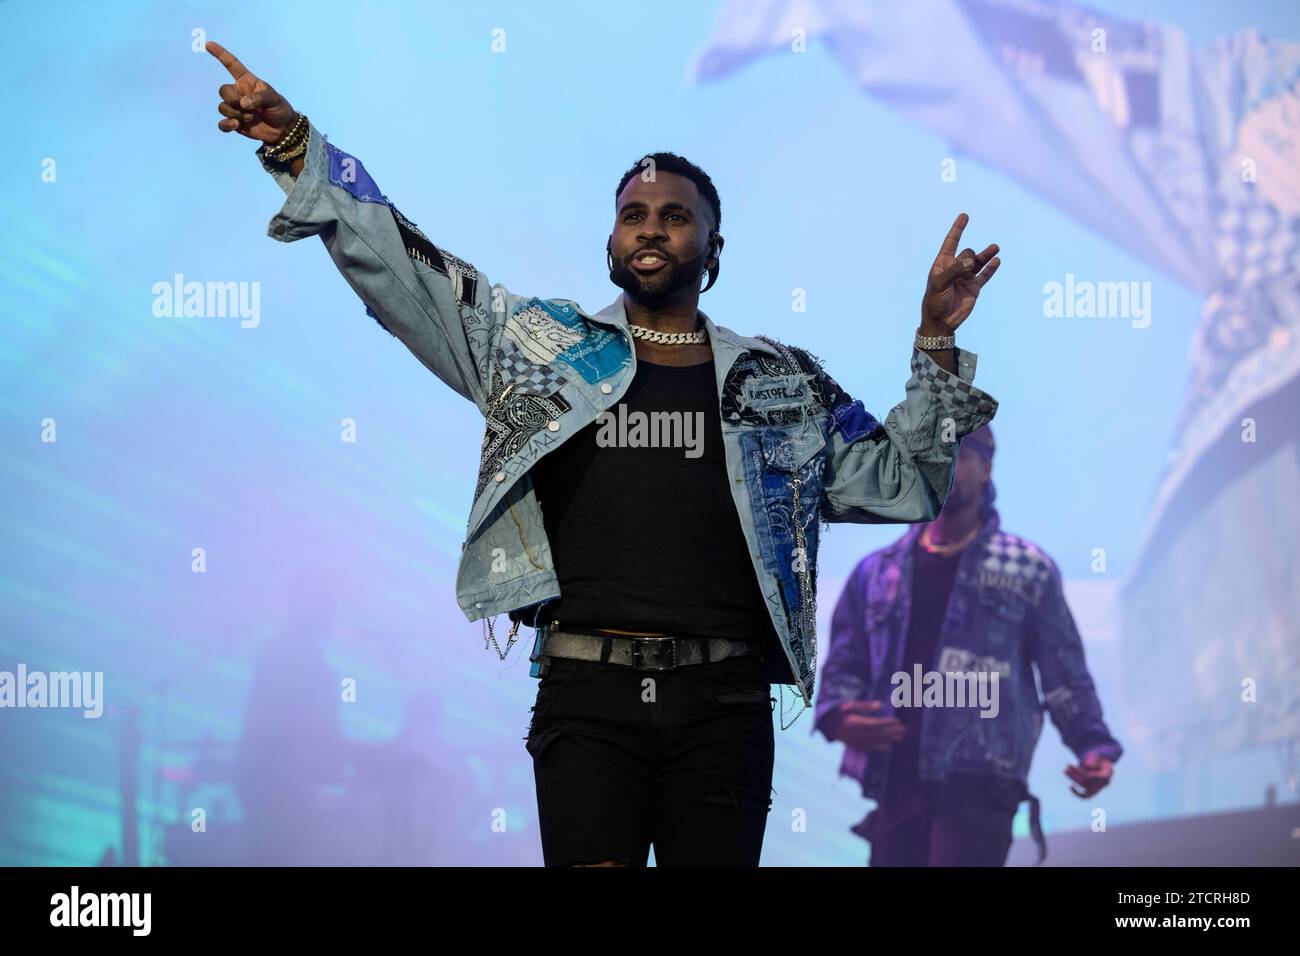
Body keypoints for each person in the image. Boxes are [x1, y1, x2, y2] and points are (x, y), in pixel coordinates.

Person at [206, 41, 1000, 866]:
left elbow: (907, 484)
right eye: (634, 215)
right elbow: (411, 270)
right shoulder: (540, 345)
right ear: (612, 242)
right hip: (587, 698)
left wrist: (936, 340)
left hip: (724, 704)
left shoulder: (783, 378)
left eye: (676, 216)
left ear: (713, 251)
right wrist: (297, 144)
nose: (651, 228)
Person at [816, 426, 1121, 866]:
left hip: (980, 785)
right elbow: (844, 668)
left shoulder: (1026, 570)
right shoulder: (877, 573)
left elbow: (1065, 676)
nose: (942, 465)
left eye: (957, 455)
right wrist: (838, 716)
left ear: (987, 467)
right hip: (895, 781)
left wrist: (1094, 748)